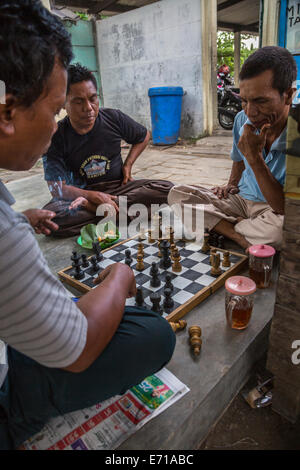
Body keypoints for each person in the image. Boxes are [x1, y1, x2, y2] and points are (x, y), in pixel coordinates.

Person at [0, 0, 175, 450]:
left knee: (157, 188)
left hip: (119, 194)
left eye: (88, 100)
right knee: (153, 332)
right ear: (7, 112)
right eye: (59, 107)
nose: (75, 113)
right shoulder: (8, 237)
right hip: (10, 384)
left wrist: (127, 178)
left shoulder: (113, 119)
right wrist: (118, 277)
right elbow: (73, 349)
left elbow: (142, 137)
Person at [169, 46, 297, 251]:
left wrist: (254, 158)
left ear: (288, 95)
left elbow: (283, 207)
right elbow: (238, 160)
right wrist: (230, 185)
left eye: (261, 101)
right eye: (244, 101)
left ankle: (221, 226)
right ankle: (238, 235)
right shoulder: (240, 120)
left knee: (285, 229)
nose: (251, 112)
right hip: (241, 201)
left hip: (275, 210)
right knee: (177, 194)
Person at [42, 63, 174, 237]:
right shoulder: (56, 137)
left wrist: (127, 165)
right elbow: (57, 188)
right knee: (52, 219)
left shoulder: (113, 118)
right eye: (78, 101)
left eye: (92, 98)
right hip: (80, 195)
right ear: (63, 103)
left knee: (166, 189)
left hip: (118, 189)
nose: (88, 108)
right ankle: (119, 212)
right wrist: (91, 196)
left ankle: (101, 211)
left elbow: (143, 136)